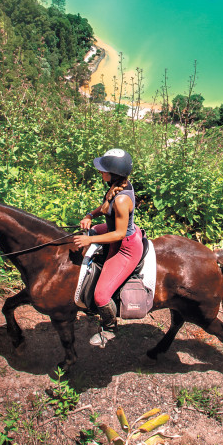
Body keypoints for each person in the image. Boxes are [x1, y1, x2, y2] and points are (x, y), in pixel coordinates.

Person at [72, 147, 142, 347]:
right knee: (92, 230)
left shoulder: (121, 200)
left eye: (103, 170)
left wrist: (90, 241)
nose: (100, 173)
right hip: (114, 229)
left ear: (114, 173)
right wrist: (90, 215)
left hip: (124, 245)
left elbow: (119, 234)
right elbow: (105, 206)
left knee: (101, 295)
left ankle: (110, 327)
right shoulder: (117, 186)